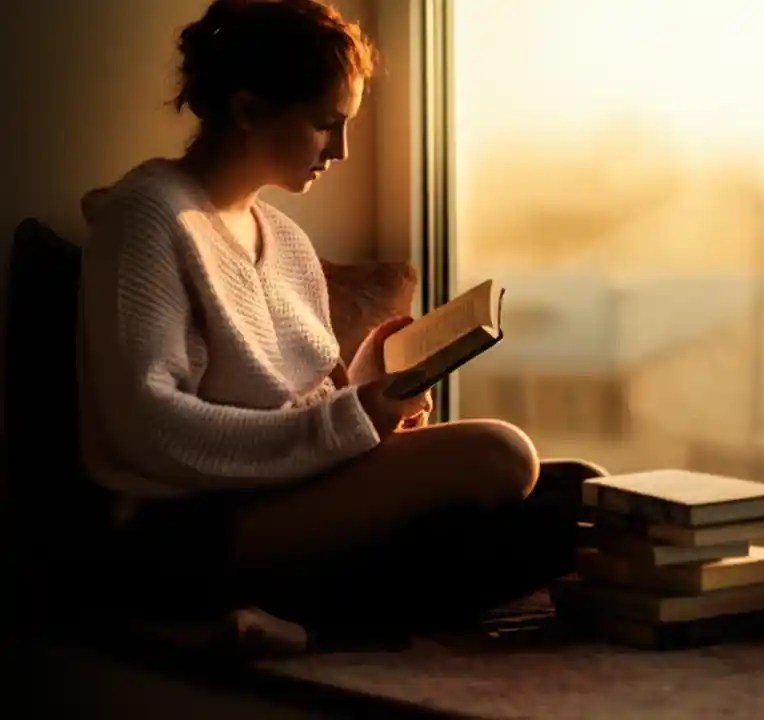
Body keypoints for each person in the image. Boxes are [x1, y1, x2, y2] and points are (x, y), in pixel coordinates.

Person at [77, 0, 591, 637]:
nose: (342, 150)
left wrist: (375, 393)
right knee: (503, 455)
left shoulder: (286, 240)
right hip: (192, 524)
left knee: (580, 499)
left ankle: (308, 618)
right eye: (325, 126)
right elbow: (147, 426)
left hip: (300, 494)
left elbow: (309, 403)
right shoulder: (148, 219)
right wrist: (352, 420)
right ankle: (313, 625)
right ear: (247, 110)